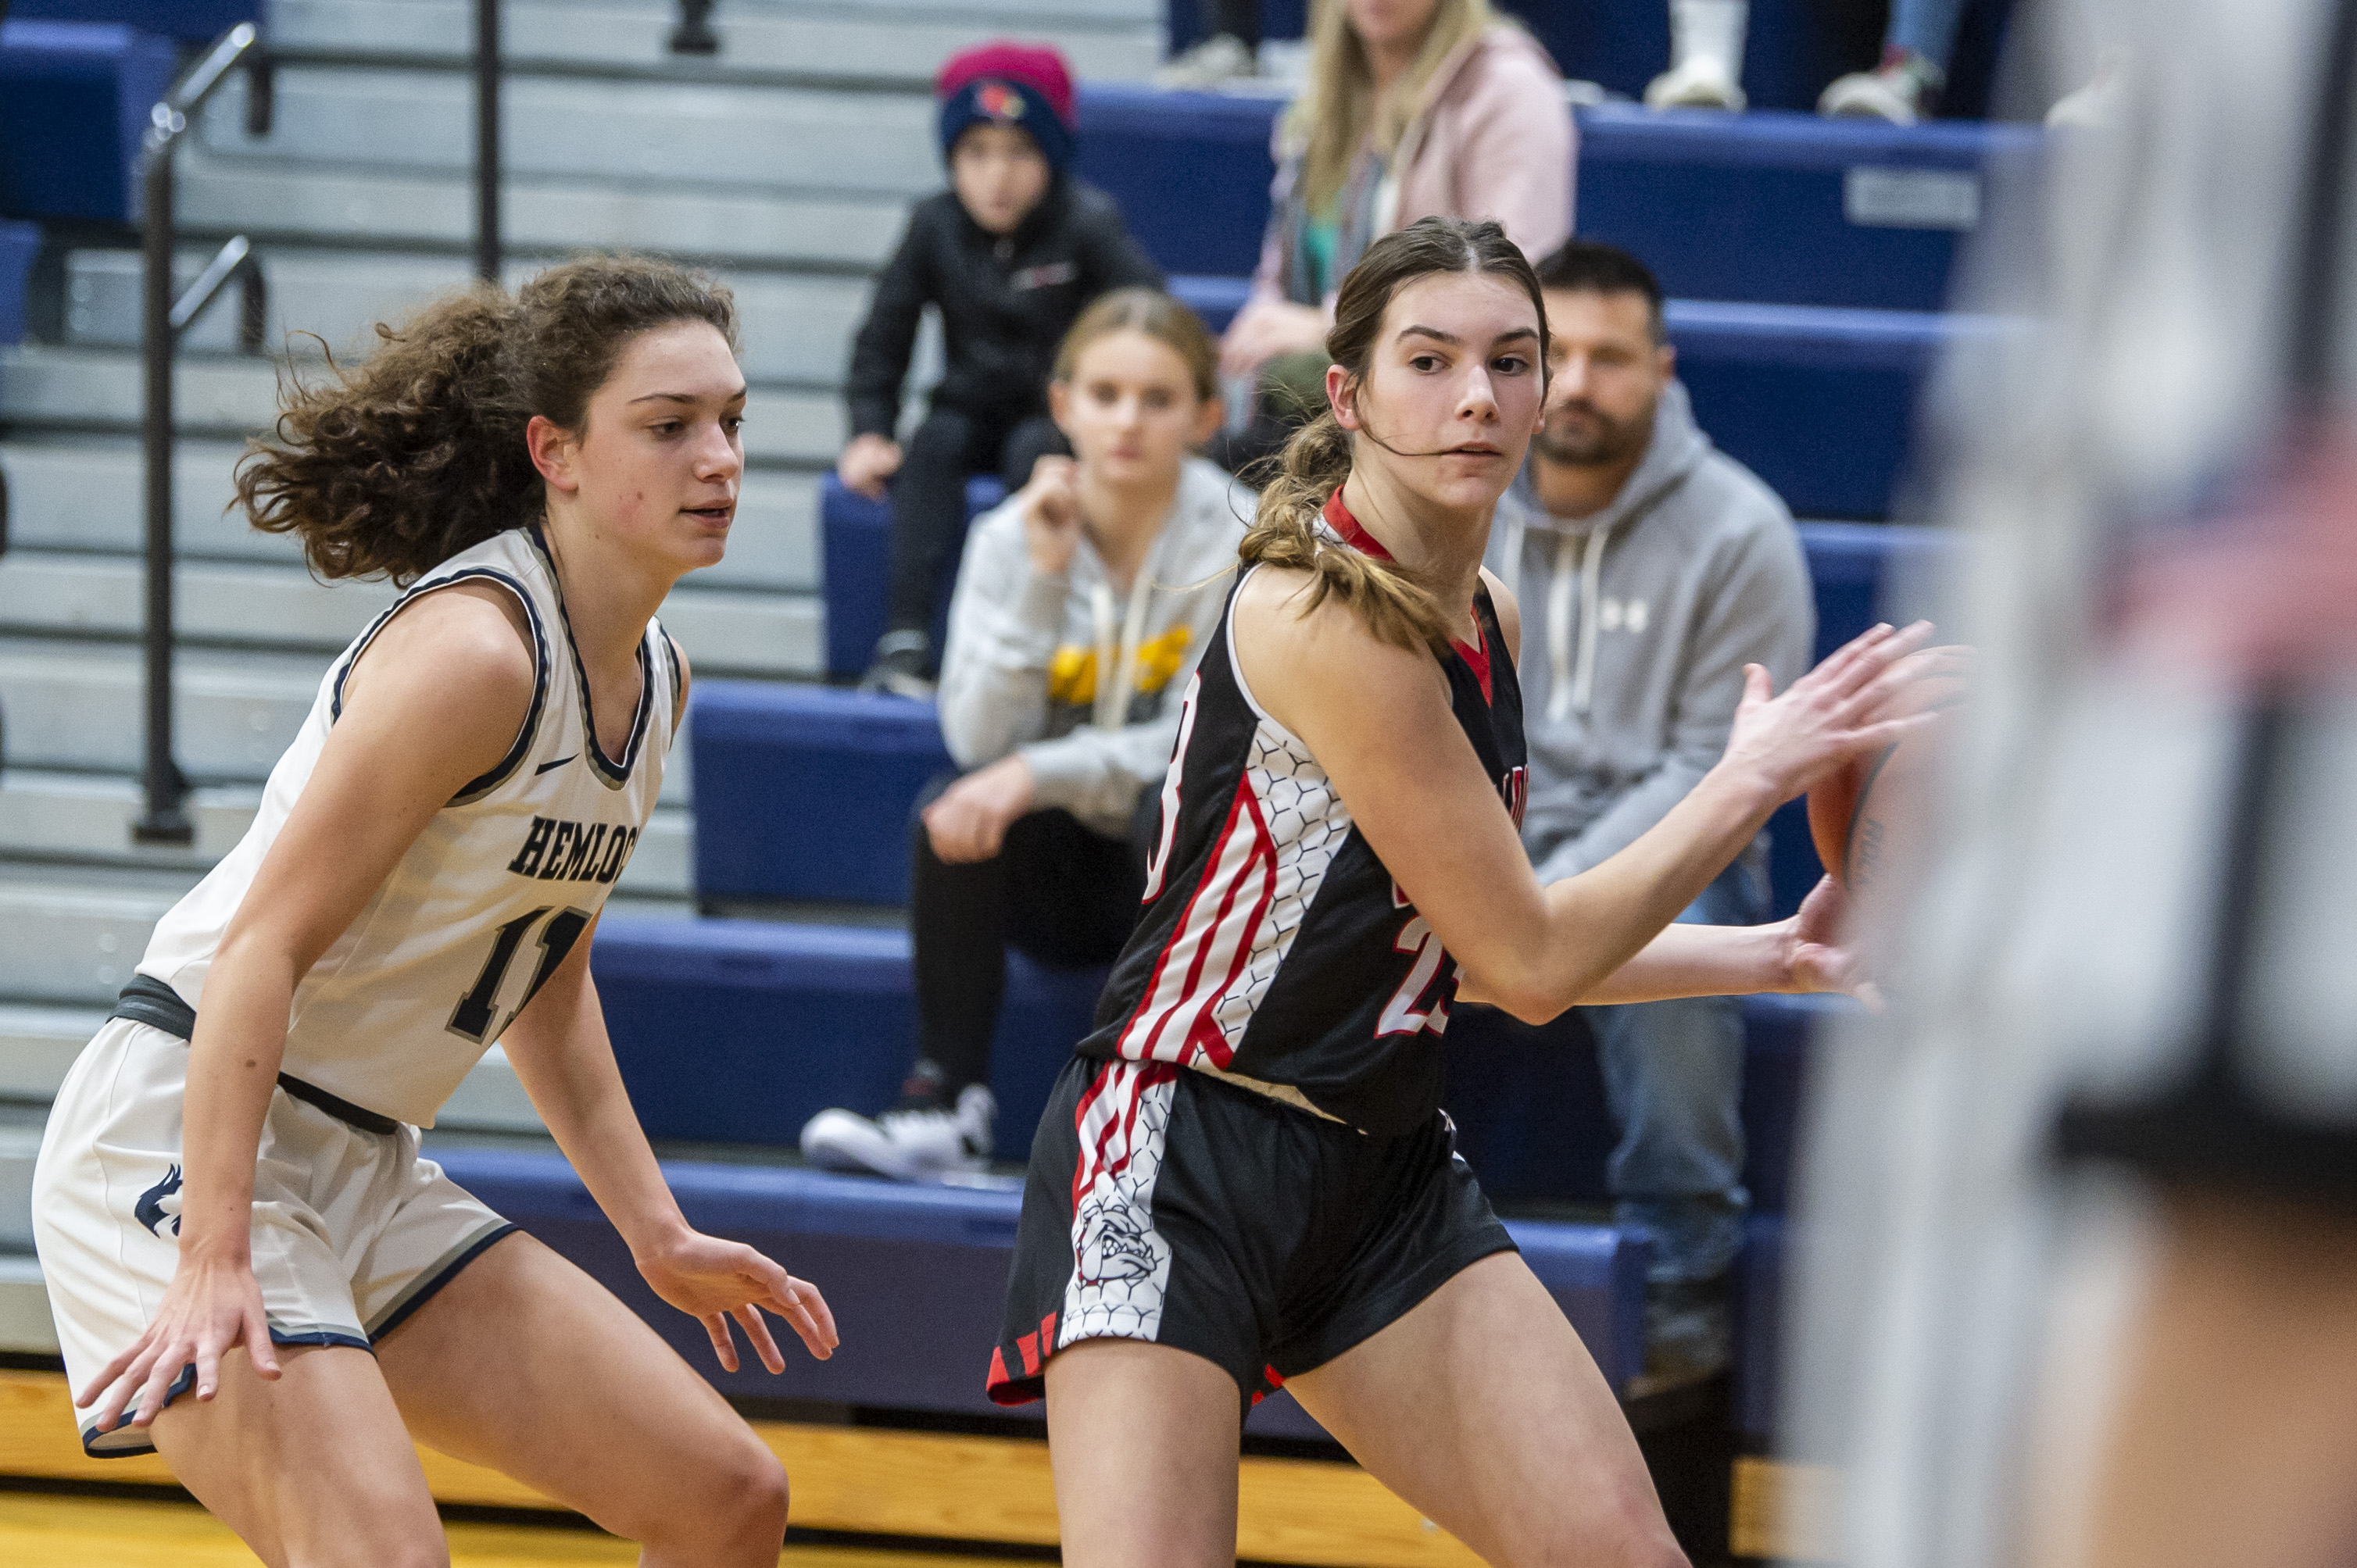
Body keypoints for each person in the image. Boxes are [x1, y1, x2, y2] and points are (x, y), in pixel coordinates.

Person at [982, 215, 1931, 1567]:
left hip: (1380, 1164)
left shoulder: (1488, 607)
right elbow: (1533, 967)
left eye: (1510, 360)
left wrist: (1780, 952)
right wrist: (1751, 780)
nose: (1477, 395)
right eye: (1428, 360)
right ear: (1351, 393)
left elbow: (1468, 959)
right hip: (1182, 1150)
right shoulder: (1324, 619)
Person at [29, 259, 839, 1565]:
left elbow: (544, 971)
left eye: (733, 422)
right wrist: (213, 1251)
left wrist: (656, 1227)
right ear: (554, 452)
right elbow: (261, 948)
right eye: (669, 425)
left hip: (363, 1158)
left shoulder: (656, 678)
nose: (719, 460)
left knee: (726, 1496)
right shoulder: (477, 652)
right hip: (183, 1137)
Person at [803, 288, 1254, 1181]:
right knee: (950, 813)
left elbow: (1199, 746)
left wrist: (1033, 773)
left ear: (1205, 417)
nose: (1127, 421)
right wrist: (1045, 584)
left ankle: (1181, 1106)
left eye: (1157, 400)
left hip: (1178, 858)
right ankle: (945, 1107)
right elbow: (977, 737)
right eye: (1105, 394)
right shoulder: (1010, 537)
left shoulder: (1241, 539)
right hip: (1060, 876)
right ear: (1062, 407)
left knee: (1166, 808)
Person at [1481, 238, 1814, 1390]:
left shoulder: (1742, 530)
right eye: (1551, 354)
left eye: (1610, 358)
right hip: (1479, 838)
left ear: (1662, 370)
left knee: (1699, 904)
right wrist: (1501, 889)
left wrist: (1550, 903)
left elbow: (1710, 773)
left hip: (1666, 844)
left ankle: (1681, 1289)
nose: (1576, 383)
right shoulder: (1456, 496)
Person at [840, 41, 1166, 698]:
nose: (997, 176)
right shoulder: (933, 224)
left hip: (1052, 414)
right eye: (976, 154)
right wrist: (870, 430)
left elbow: (1148, 316)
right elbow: (883, 339)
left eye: (1019, 153)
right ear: (951, 160)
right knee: (929, 447)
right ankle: (905, 639)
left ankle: (1032, 634)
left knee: (1035, 457)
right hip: (965, 407)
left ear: (1053, 159)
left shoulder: (1088, 223)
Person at [1216, 0, 1573, 468]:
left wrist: (1324, 327)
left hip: (1438, 403)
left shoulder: (1509, 86)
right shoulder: (1327, 95)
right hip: (1323, 397)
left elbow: (1517, 278)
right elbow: (1279, 278)